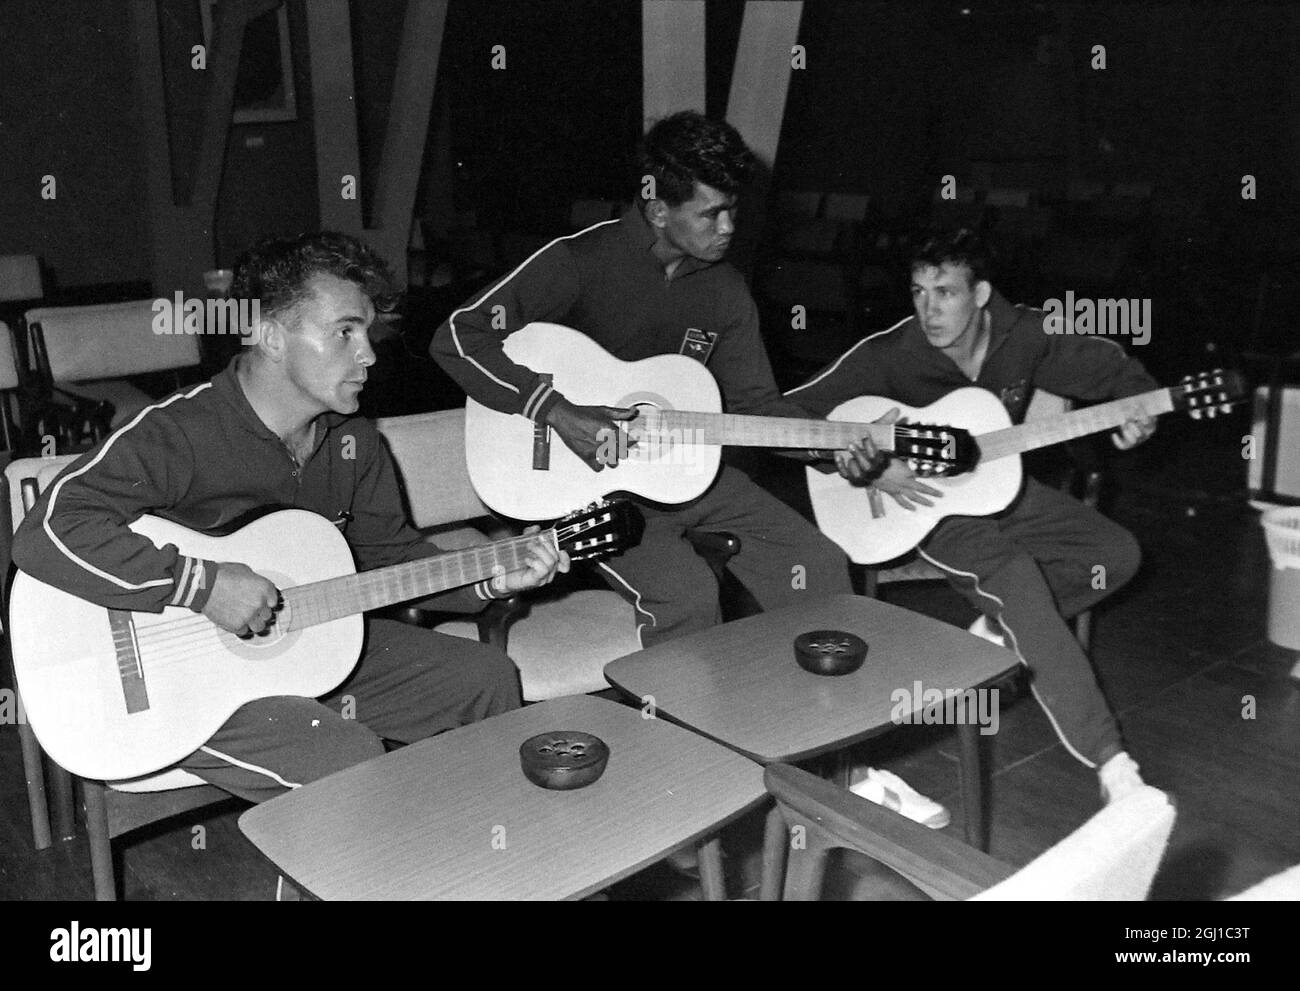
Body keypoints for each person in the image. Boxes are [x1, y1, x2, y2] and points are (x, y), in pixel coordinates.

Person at [431, 111, 949, 829]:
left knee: (818, 564)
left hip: (690, 479)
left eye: (735, 210)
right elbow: (455, 336)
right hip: (589, 494)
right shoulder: (578, 262)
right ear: (655, 200)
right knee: (687, 596)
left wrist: (836, 446)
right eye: (711, 211)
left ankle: (841, 772)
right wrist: (555, 408)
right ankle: (679, 790)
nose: (728, 227)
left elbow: (758, 411)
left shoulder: (724, 292)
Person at [11, 232, 567, 803]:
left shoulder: (354, 442)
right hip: (184, 686)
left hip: (313, 647)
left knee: (483, 679)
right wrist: (200, 587)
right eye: (344, 332)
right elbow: (46, 532)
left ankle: (489, 857)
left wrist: (489, 578)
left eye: (368, 332)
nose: (369, 353)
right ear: (270, 336)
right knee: (348, 761)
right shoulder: (181, 431)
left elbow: (391, 558)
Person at [786, 227, 1156, 804]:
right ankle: (1114, 766)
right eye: (917, 291)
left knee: (1116, 554)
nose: (928, 309)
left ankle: (1001, 627)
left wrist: (1142, 406)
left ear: (982, 293)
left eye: (945, 292)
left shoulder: (1027, 333)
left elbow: (1111, 370)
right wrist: (863, 464)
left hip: (1003, 488)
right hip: (928, 508)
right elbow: (790, 419)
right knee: (1019, 584)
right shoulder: (891, 354)